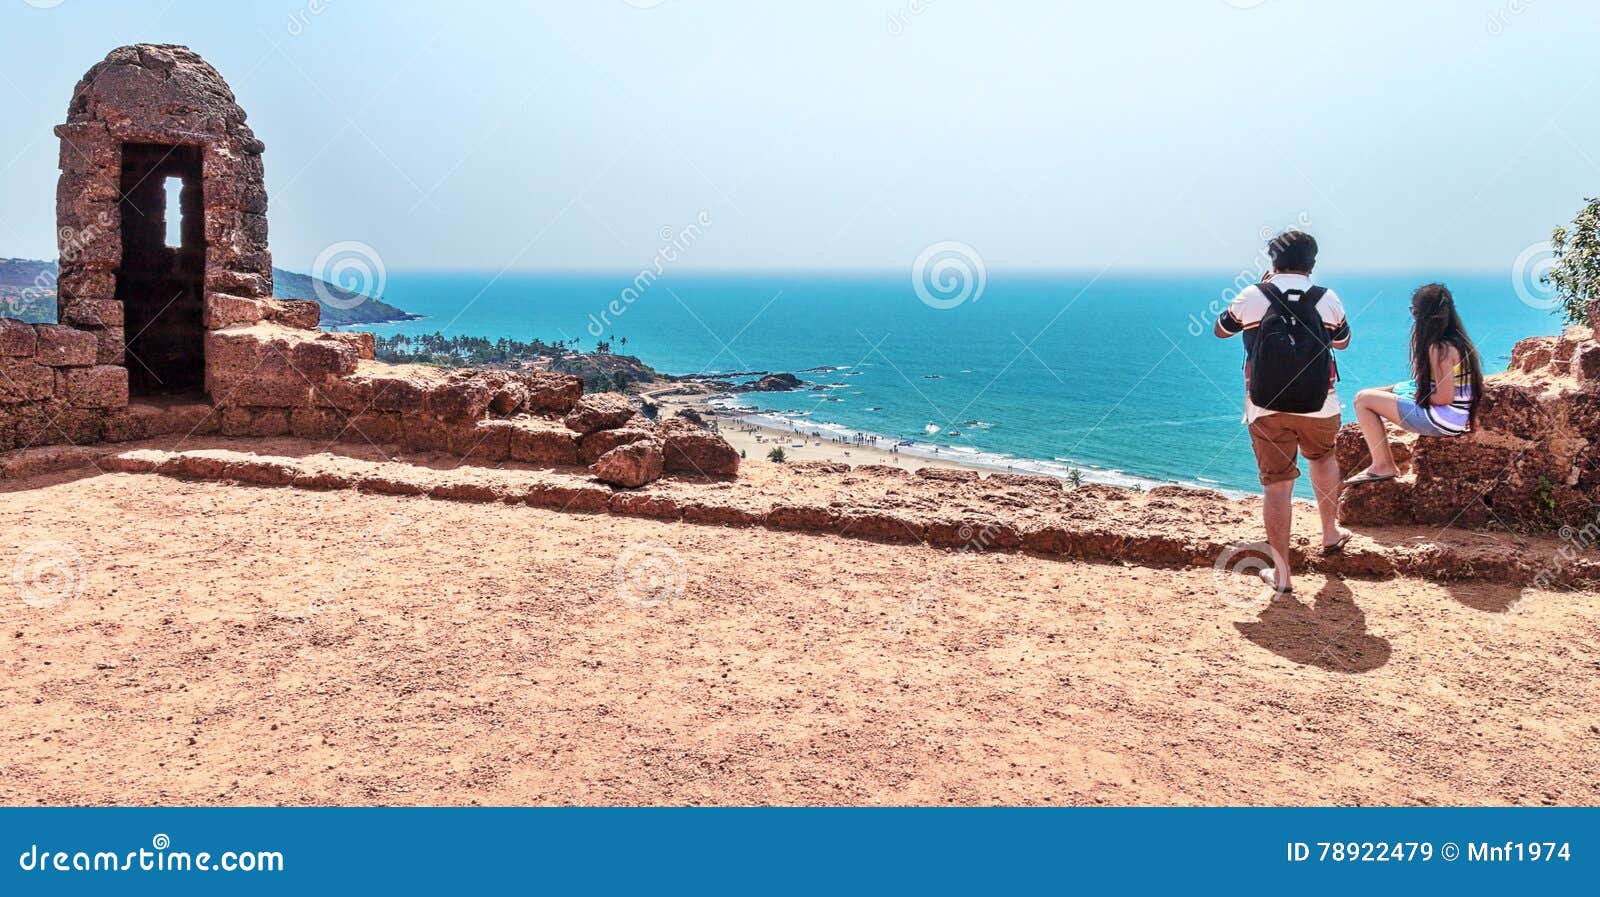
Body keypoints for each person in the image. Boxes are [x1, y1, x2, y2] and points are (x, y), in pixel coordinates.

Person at [1214, 231, 1352, 594]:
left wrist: (1262, 292)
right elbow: (1342, 341)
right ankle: (1329, 533)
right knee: (1323, 457)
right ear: (1313, 263)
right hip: (1320, 403)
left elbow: (1221, 330)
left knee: (1278, 485)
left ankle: (1283, 574)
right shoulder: (1328, 298)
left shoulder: (1252, 295)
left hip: (1266, 406)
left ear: (1272, 261)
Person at [1344, 283, 1483, 484]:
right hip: (1455, 417)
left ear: (1421, 315)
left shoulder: (1440, 349)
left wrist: (1416, 397)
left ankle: (1383, 464)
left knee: (1362, 399)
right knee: (1383, 391)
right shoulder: (1458, 342)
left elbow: (1444, 397)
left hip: (1442, 420)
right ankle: (1383, 460)